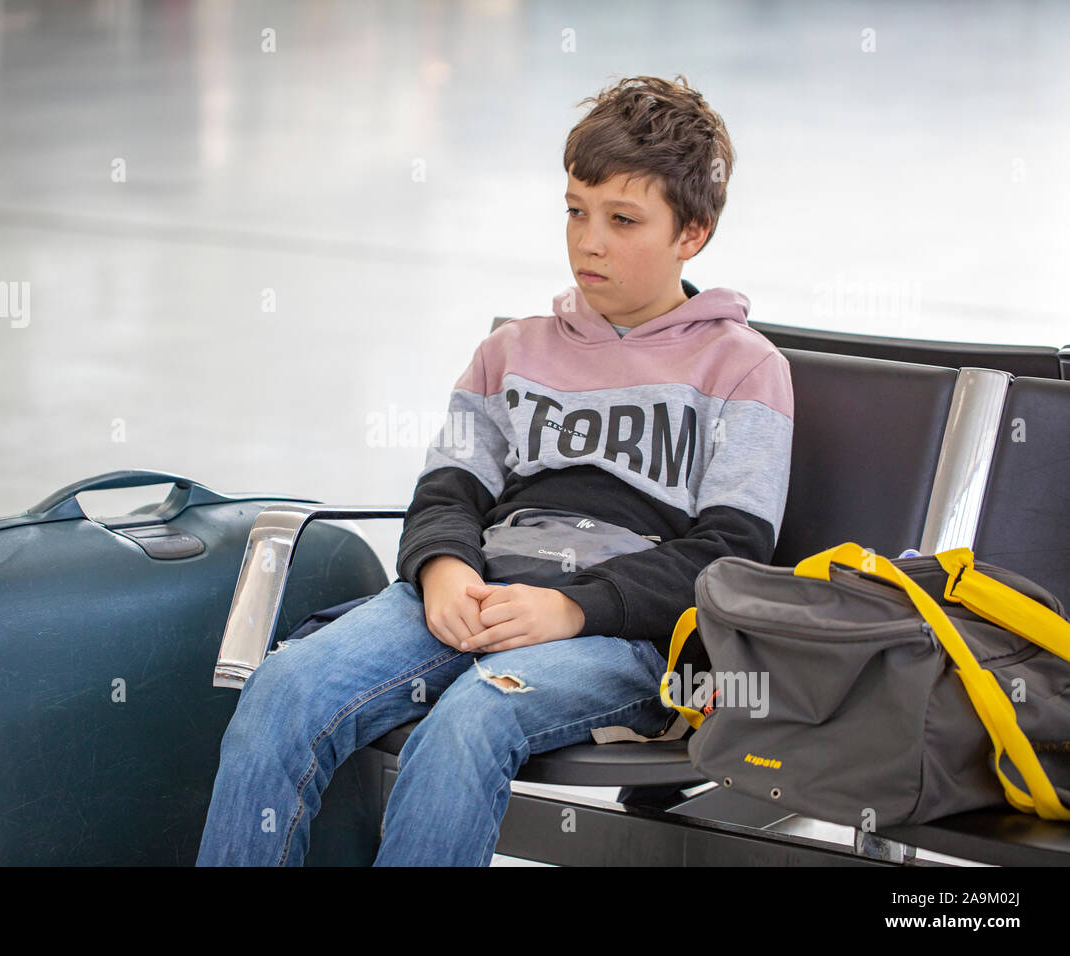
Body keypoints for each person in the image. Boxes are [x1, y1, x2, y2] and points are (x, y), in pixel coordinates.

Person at [195, 74, 795, 867]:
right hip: (470, 596)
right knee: (285, 690)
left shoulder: (742, 368)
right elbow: (448, 491)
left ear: (694, 233)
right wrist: (443, 570)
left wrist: (573, 610)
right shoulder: (513, 351)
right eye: (577, 211)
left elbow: (727, 555)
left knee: (475, 716)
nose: (590, 242)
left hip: (619, 636)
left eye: (623, 220)